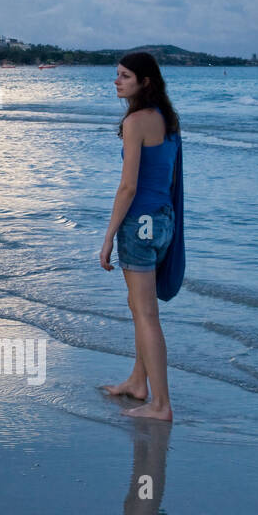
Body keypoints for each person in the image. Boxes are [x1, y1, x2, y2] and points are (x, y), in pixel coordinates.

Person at [100, 51, 183, 421]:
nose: (117, 82)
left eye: (124, 76)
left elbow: (128, 187)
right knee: (140, 309)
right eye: (117, 75)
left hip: (139, 224)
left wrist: (107, 238)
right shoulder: (167, 120)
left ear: (144, 82)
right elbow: (169, 181)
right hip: (163, 222)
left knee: (146, 314)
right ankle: (138, 382)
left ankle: (161, 405)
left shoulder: (135, 122)